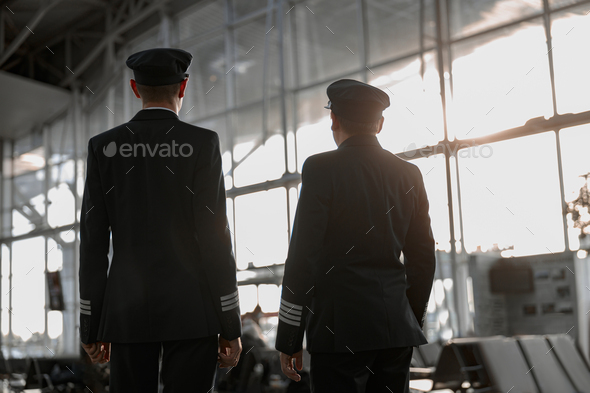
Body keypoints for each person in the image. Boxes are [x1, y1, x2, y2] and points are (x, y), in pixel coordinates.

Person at [79, 48, 242, 392]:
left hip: (125, 311)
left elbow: (93, 243)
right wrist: (230, 324)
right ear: (183, 88)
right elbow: (215, 238)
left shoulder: (103, 146)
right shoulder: (202, 143)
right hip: (192, 309)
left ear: (135, 89)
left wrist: (91, 325)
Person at [275, 79, 436, 393]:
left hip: (339, 332)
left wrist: (290, 336)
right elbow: (423, 257)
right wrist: (409, 319)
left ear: (333, 120)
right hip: (395, 330)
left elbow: (302, 257)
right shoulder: (408, 173)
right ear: (380, 124)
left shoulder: (321, 168)